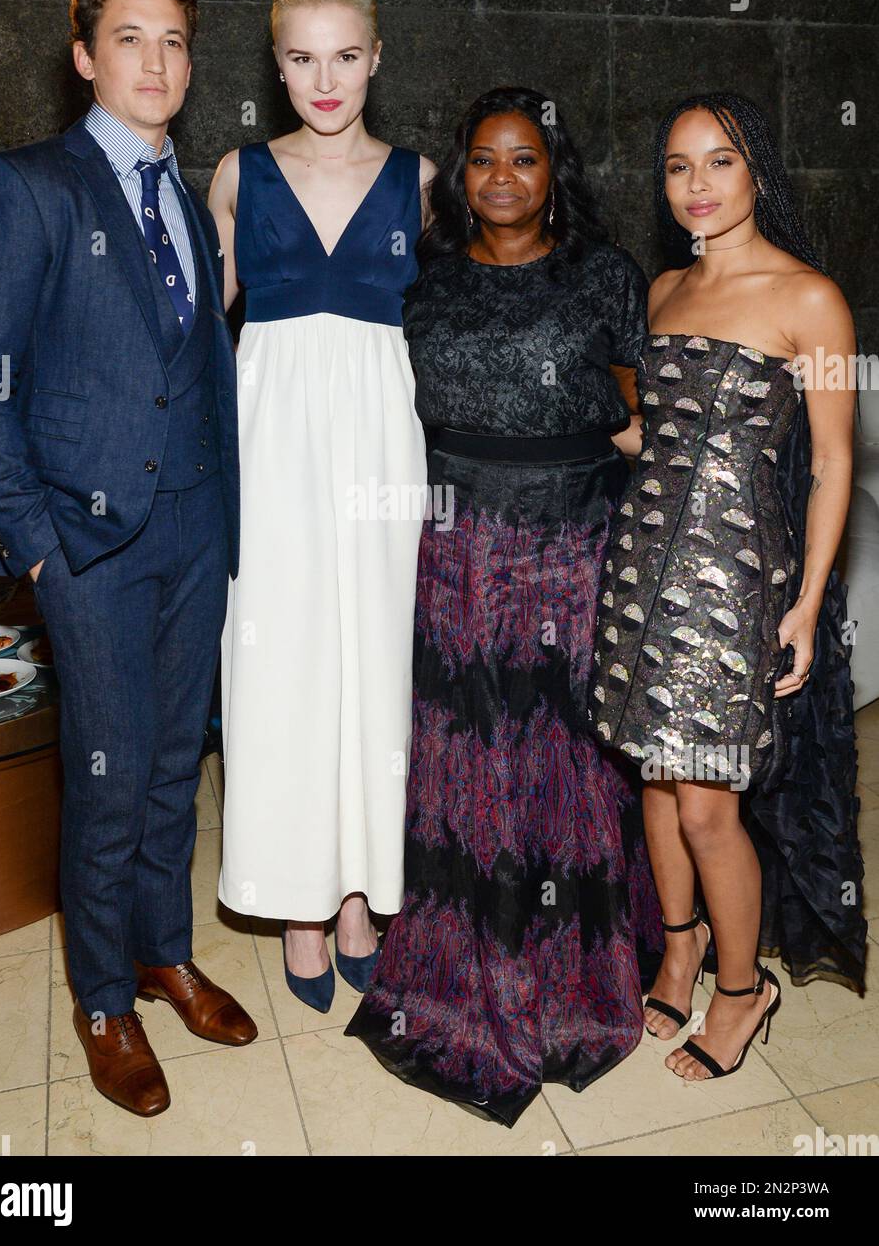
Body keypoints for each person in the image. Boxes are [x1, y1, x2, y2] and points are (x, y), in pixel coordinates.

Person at [0, 0, 257, 1118]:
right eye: (130, 37)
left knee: (177, 763)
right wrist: (32, 544)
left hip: (192, 531)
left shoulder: (185, 188)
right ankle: (103, 997)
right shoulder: (25, 186)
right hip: (85, 543)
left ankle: (163, 950)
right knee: (110, 776)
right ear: (83, 54)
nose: (155, 62)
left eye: (173, 40)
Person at [343, 87, 664, 1126]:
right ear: (459, 174)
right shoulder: (421, 282)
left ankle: (575, 974)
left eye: (522, 160)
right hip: (453, 545)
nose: (500, 179)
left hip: (574, 540)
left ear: (552, 171)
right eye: (481, 160)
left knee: (567, 754)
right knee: (467, 752)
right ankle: (465, 963)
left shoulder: (606, 275)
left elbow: (642, 413)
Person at [587, 91, 867, 1082]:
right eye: (675, 166)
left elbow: (833, 464)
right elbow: (648, 439)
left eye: (717, 161)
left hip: (735, 583)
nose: (695, 185)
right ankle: (681, 943)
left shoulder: (811, 299)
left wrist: (803, 604)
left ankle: (744, 991)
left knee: (708, 801)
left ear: (756, 172)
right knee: (656, 779)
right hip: (640, 567)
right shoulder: (661, 290)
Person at [208, 0, 435, 1011]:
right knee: (280, 665)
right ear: (277, 64)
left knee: (374, 660)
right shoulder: (236, 174)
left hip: (382, 446)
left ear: (376, 53)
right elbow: (198, 332)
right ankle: (302, 900)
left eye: (345, 54)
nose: (326, 79)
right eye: (302, 59)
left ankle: (360, 890)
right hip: (271, 441)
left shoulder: (421, 181)